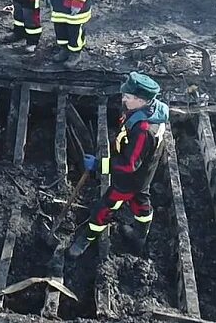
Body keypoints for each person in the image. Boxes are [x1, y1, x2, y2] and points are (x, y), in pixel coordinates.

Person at [68, 72, 169, 258]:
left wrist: (99, 165)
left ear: (141, 100)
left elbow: (130, 165)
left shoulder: (144, 131)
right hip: (146, 172)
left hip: (130, 179)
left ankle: (87, 238)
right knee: (141, 201)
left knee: (104, 208)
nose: (123, 99)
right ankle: (140, 236)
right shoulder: (153, 110)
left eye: (128, 97)